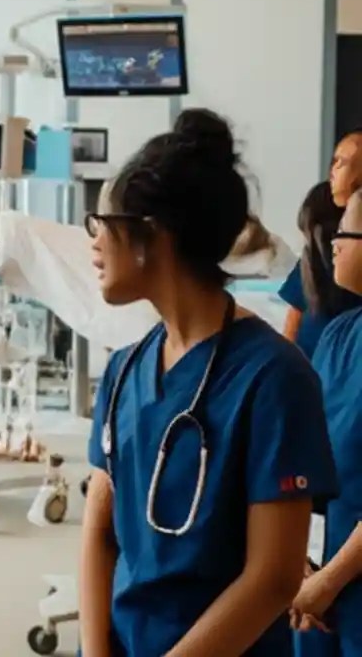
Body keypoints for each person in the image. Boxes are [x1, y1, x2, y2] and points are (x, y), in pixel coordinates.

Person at [78, 109, 337, 656]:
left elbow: (273, 576)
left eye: (103, 223)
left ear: (152, 236)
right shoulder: (125, 371)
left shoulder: (273, 378)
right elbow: (99, 535)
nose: (93, 242)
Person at [290, 187, 362, 653]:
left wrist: (329, 582)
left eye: (348, 230)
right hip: (320, 589)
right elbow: (303, 459)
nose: (333, 241)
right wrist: (297, 563)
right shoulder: (338, 336)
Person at [283, 132, 362, 354]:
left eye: (342, 162)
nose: (333, 170)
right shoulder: (320, 237)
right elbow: (294, 318)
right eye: (333, 161)